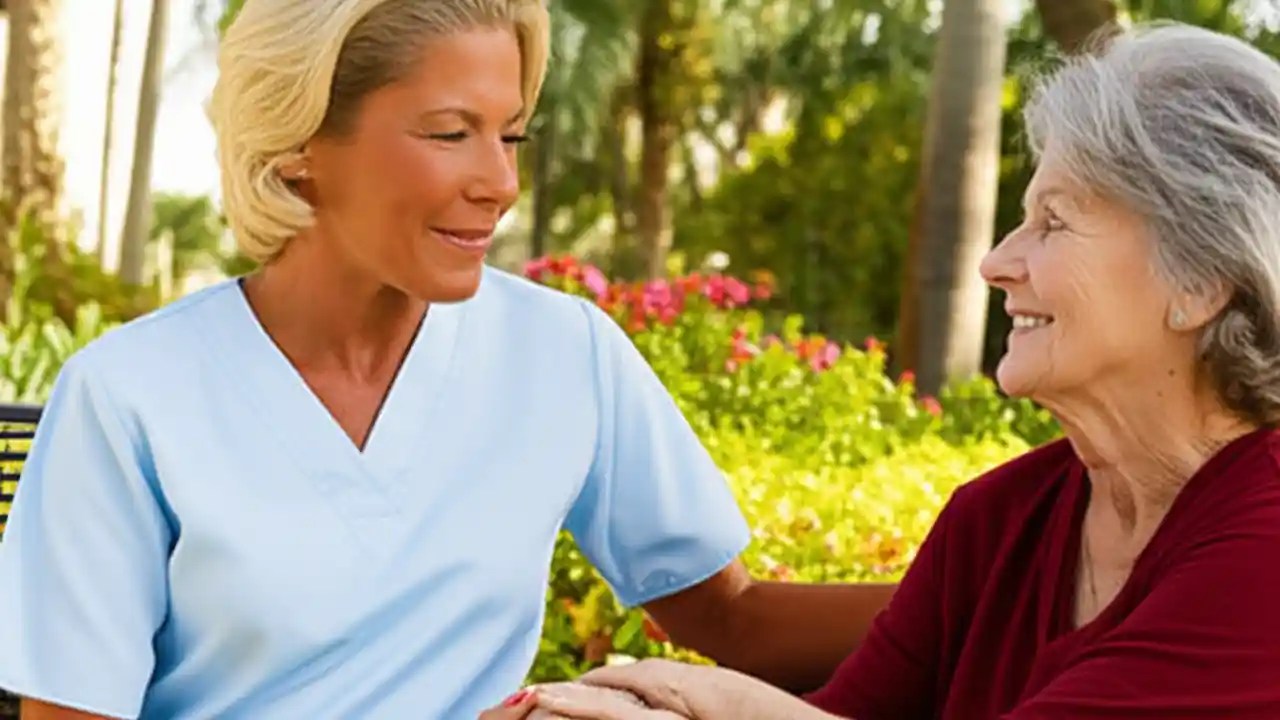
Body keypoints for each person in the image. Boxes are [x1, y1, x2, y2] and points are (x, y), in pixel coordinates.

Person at [0, 1, 897, 718]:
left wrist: (1012, 585)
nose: (500, 183)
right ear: (301, 148)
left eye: (509, 135)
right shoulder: (128, 397)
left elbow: (734, 621)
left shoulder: (563, 353)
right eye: (447, 132)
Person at [516, 21, 1280, 720]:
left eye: (1053, 222)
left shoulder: (1263, 547)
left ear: (1201, 280)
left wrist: (715, 701)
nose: (996, 262)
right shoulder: (996, 522)